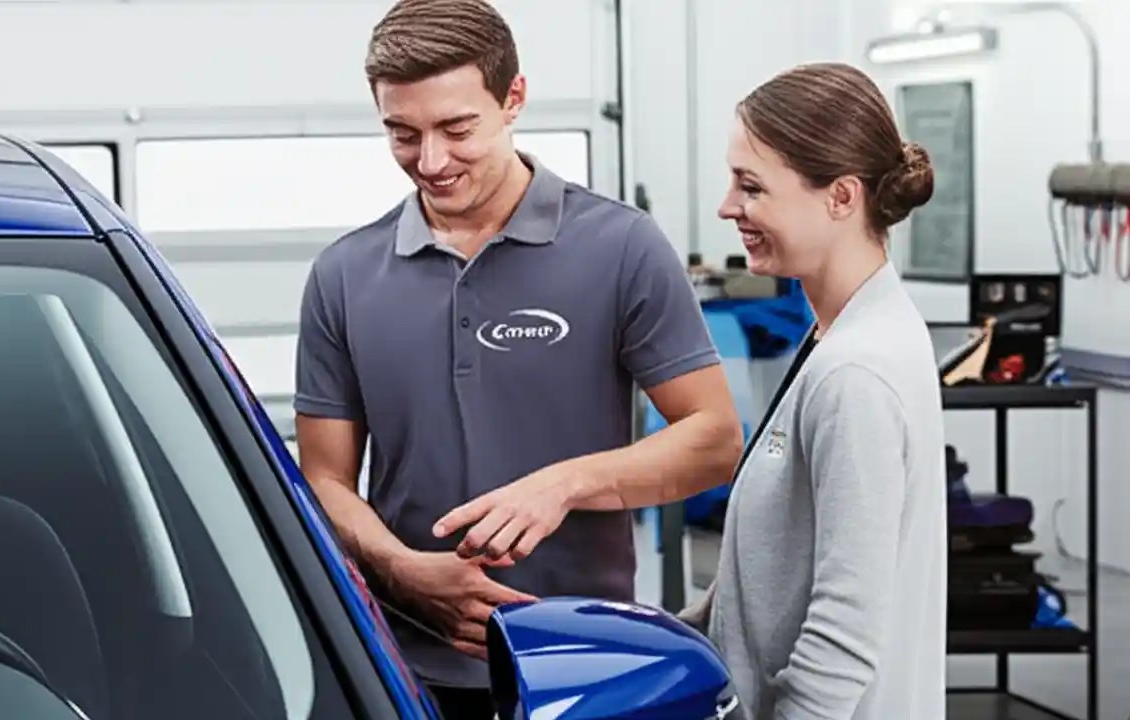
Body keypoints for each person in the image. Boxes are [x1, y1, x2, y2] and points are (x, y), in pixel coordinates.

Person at [293, 0, 744, 716]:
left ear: (514, 100)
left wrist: (562, 485)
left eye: (457, 128)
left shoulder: (622, 248)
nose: (431, 162)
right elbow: (323, 478)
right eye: (402, 133)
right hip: (395, 670)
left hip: (587, 672)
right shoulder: (344, 275)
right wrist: (403, 571)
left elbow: (713, 440)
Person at [680, 62, 948, 720]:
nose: (727, 206)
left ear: (840, 197)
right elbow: (770, 572)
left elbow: (843, 636)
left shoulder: (857, 372)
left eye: (752, 187)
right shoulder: (844, 332)